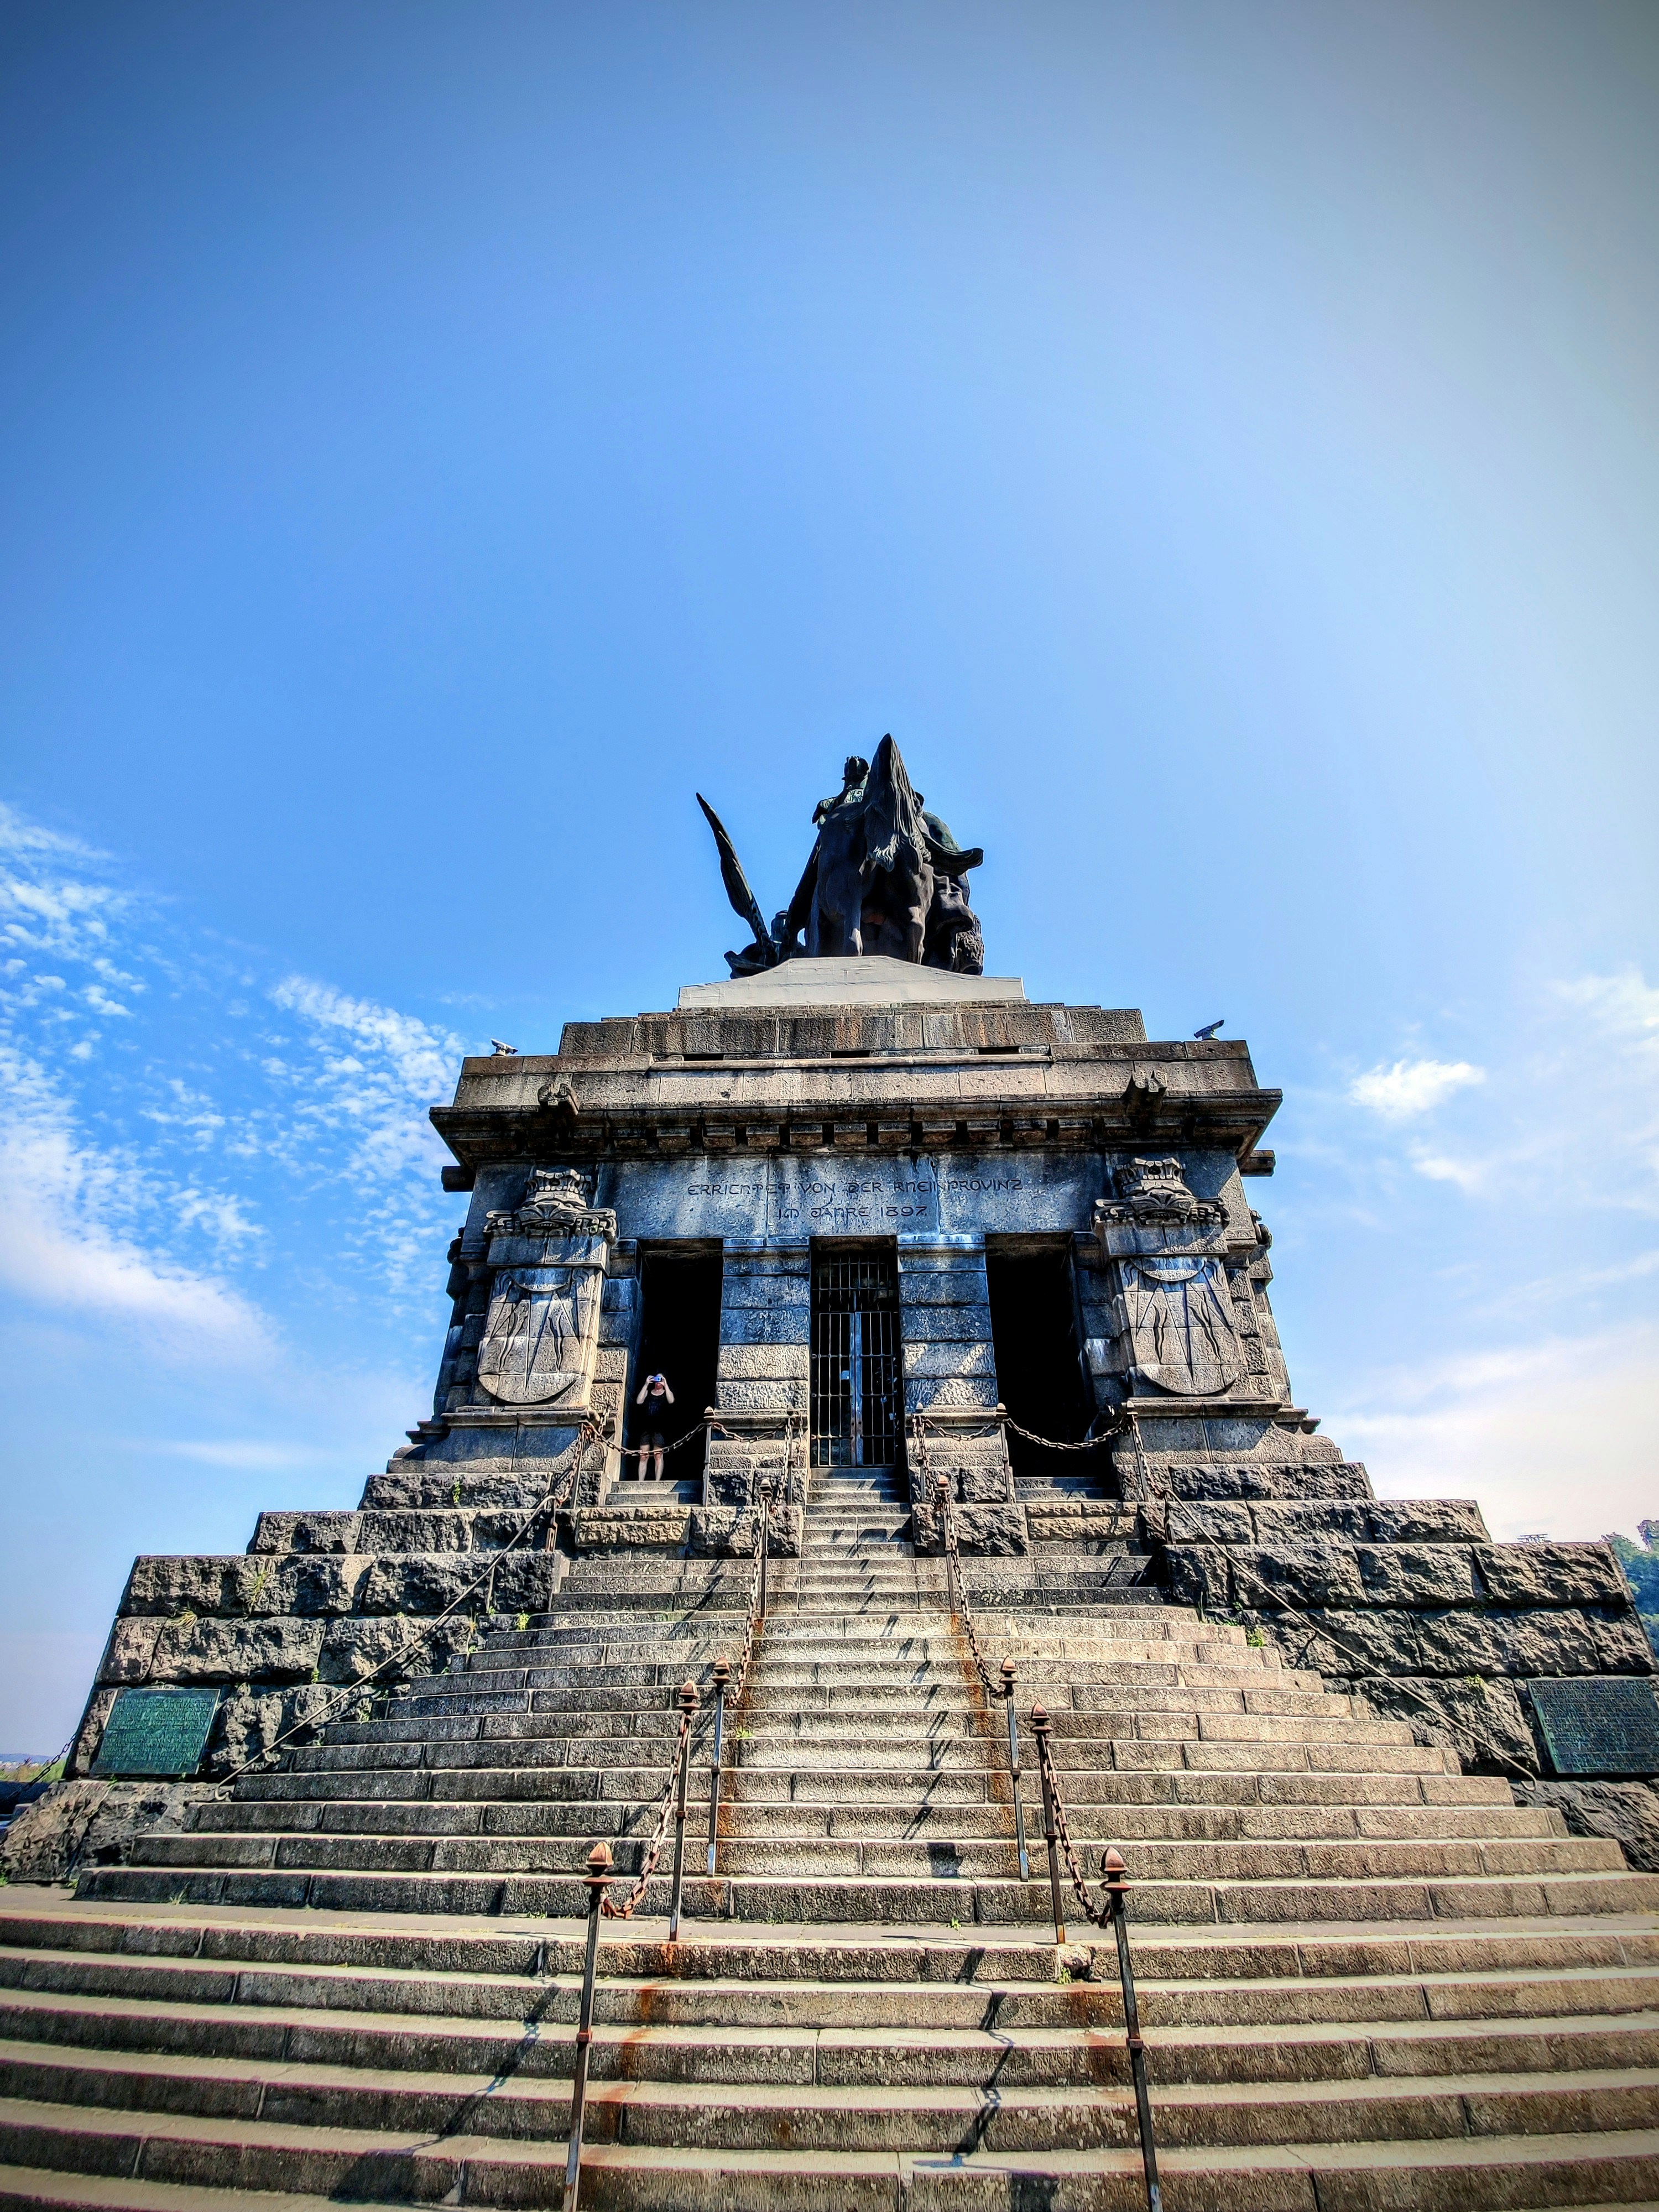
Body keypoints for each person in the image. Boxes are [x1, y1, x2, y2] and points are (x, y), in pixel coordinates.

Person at [633, 1370, 675, 1480]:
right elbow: (639, 1401)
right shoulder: (648, 1392)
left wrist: (666, 1385)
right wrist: (646, 1384)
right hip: (645, 1428)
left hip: (660, 1429)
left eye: (660, 1380)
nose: (658, 1382)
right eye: (657, 1379)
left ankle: (657, 1481)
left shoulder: (666, 1393)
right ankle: (640, 1482)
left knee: (658, 1455)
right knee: (643, 1455)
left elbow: (671, 1401)